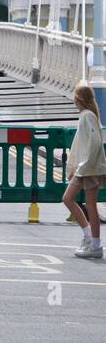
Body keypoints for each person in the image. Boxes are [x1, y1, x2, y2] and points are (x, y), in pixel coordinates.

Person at [63, 82, 106, 259]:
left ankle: (93, 242)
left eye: (75, 95)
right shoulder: (88, 115)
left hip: (88, 169)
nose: (73, 99)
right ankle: (91, 239)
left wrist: (82, 166)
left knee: (71, 199)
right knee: (83, 203)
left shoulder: (87, 116)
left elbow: (94, 143)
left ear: (79, 98)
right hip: (86, 168)